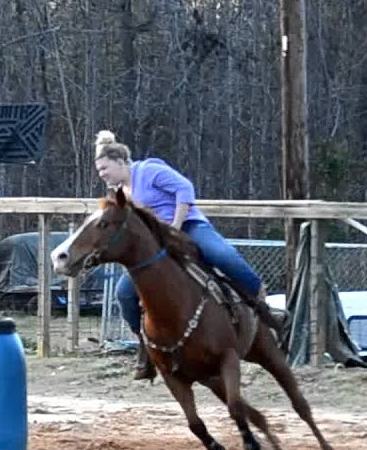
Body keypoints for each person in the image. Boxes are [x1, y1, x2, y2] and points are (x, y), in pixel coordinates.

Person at [93, 129, 265, 381]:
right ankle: (143, 342)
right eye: (99, 171)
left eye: (105, 168)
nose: (102, 174)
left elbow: (185, 188)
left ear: (120, 162)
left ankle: (258, 300)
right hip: (157, 244)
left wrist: (175, 224)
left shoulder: (148, 171)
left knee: (222, 255)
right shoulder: (120, 193)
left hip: (188, 226)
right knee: (124, 292)